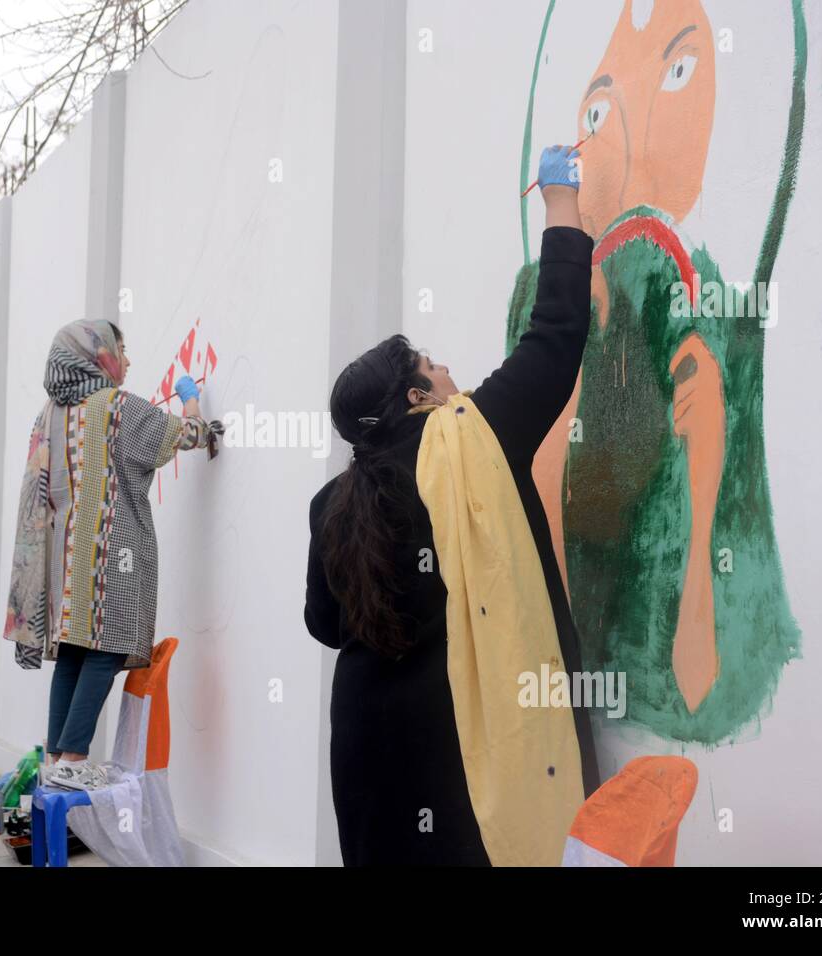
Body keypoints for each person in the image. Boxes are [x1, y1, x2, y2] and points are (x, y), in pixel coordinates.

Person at [303, 146, 601, 865]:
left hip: (369, 742)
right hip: (465, 741)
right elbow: (554, 338)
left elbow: (324, 622)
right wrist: (562, 202)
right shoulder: (475, 436)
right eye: (431, 366)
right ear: (417, 397)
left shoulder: (331, 502)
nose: (446, 370)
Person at [3, 320, 217, 791]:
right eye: (121, 348)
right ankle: (75, 758)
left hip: (63, 562)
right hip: (109, 553)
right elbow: (188, 435)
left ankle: (57, 757)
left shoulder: (50, 414)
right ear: (95, 355)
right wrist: (192, 399)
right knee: (109, 645)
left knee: (76, 653)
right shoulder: (113, 406)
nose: (127, 359)